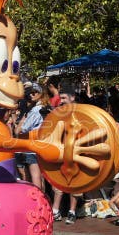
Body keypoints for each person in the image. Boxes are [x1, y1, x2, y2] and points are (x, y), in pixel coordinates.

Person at [51, 84, 84, 224]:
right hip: (62, 149)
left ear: (73, 97)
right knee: (58, 180)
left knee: (74, 182)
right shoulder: (60, 111)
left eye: (64, 98)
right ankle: (55, 211)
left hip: (78, 149)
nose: (62, 100)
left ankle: (72, 211)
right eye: (61, 98)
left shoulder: (82, 111)